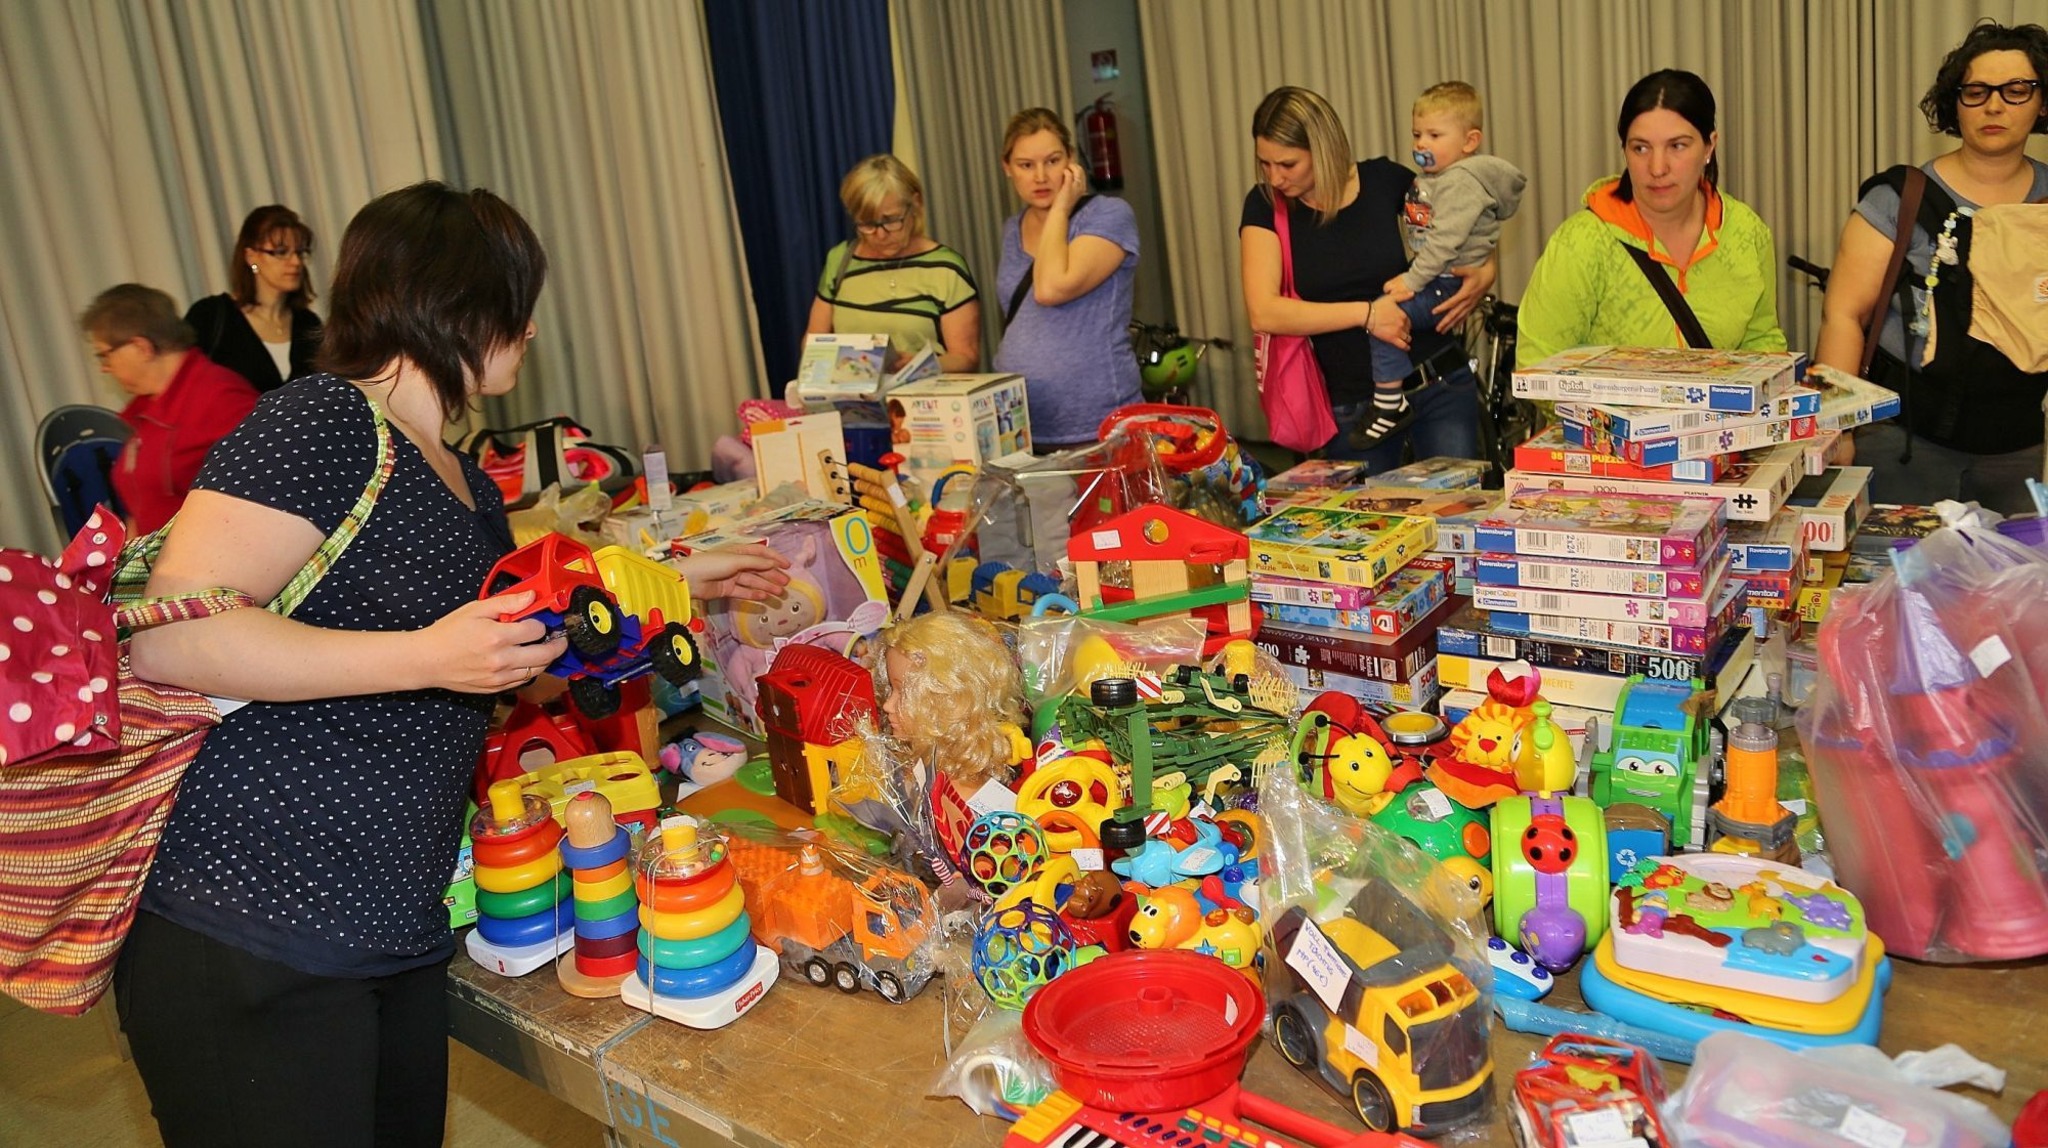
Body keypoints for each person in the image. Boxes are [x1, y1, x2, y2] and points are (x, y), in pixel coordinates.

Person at [119, 182, 789, 1148]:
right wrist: (426, 655)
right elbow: (169, 636)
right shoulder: (324, 420)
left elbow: (531, 627)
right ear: (463, 305)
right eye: (518, 304)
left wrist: (679, 575)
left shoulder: (458, 473)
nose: (528, 331)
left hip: (385, 926)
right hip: (257, 925)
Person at [1813, 22, 2048, 513]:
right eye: (1976, 91)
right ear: (1953, 103)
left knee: (2009, 587)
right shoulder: (1899, 199)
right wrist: (1837, 430)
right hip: (1905, 443)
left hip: (2018, 447)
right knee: (1897, 585)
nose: (1994, 106)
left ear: (2041, 103)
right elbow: (1843, 314)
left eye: (2016, 90)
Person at [1239, 86, 1497, 467]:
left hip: (1438, 384)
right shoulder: (1264, 207)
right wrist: (1369, 314)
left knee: (1456, 521)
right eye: (1265, 164)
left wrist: (1486, 272)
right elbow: (1265, 312)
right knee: (1370, 523)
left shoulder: (1384, 180)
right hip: (1355, 406)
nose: (1275, 177)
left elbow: (1462, 230)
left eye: (1288, 164)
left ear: (1324, 150)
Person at [1517, 70, 1786, 369]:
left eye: (1677, 146)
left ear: (1709, 146)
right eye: (1641, 148)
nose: (1657, 168)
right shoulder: (1582, 243)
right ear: (1625, 151)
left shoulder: (1747, 232)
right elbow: (1537, 363)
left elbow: (1762, 342)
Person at [1356, 82, 1526, 449]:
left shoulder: (1461, 182)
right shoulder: (1436, 180)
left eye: (1434, 134)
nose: (1421, 144)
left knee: (1385, 319)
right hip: (1437, 274)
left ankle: (1389, 403)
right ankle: (1393, 397)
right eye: (1417, 134)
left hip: (1441, 280)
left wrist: (1411, 282)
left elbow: (1445, 243)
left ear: (1469, 141)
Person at [993, 108, 1142, 452]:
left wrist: (1060, 209)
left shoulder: (1108, 215)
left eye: (1052, 160)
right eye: (1026, 165)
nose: (1041, 176)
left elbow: (1050, 288)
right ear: (1007, 168)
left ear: (1072, 161)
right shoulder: (1011, 228)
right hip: (1021, 424)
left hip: (1097, 421)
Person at [80, 283, 259, 534]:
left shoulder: (222, 397)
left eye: (105, 355)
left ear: (141, 347)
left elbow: (264, 502)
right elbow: (143, 511)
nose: (104, 368)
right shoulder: (147, 408)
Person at [807, 155, 981, 373]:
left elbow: (966, 357)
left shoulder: (945, 268)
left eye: (890, 220)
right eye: (867, 224)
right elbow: (813, 344)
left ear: (915, 204)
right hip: (854, 400)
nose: (880, 234)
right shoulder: (841, 260)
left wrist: (920, 366)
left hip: (922, 399)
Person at [185, 204, 325, 394]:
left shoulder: (308, 324)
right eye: (281, 252)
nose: (296, 262)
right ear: (251, 256)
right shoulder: (209, 316)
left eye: (300, 252)